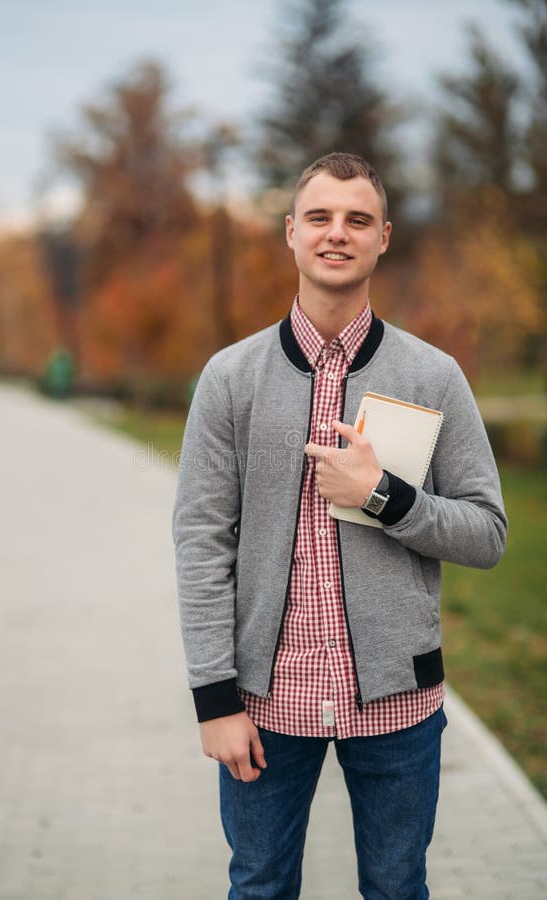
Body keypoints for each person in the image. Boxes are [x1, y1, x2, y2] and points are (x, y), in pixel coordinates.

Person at [172, 152, 507, 900]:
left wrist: (385, 496)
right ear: (291, 234)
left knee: (395, 887)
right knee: (259, 887)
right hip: (265, 703)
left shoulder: (433, 376)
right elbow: (199, 544)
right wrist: (214, 699)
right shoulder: (231, 379)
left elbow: (488, 532)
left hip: (398, 705)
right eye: (319, 217)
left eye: (357, 220)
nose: (337, 233)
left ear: (383, 237)